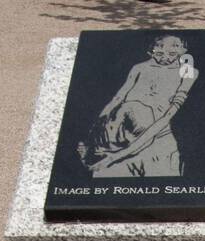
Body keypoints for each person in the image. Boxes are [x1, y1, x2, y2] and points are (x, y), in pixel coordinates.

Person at [83, 34, 197, 178]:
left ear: (183, 51)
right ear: (151, 51)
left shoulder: (188, 73)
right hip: (119, 141)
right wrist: (95, 131)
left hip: (157, 141)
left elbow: (167, 117)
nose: (165, 58)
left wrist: (115, 157)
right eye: (160, 53)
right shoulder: (139, 68)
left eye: (172, 54)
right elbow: (117, 98)